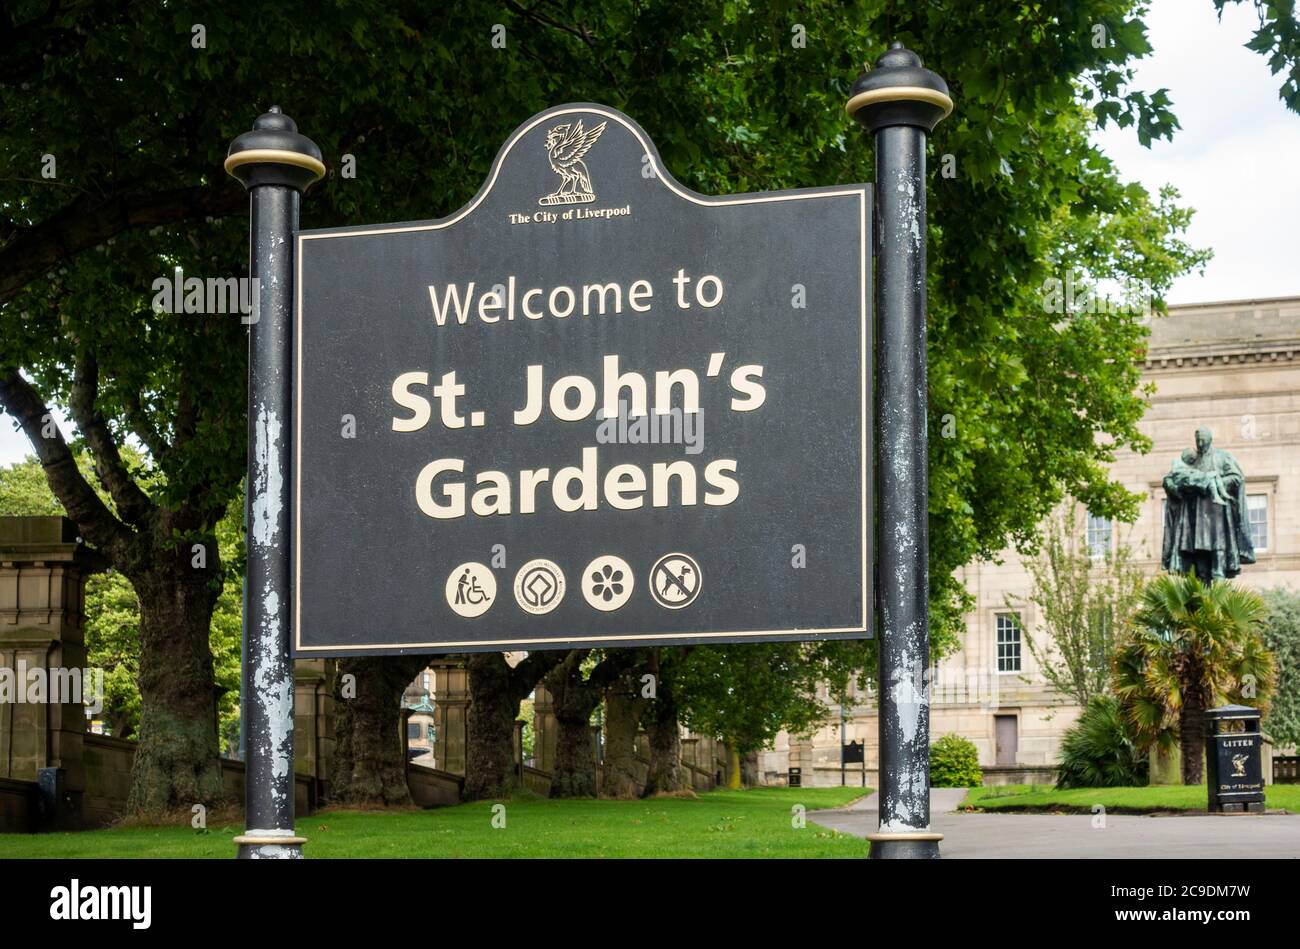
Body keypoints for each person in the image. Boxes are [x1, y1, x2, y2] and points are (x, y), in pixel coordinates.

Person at [1161, 427, 1255, 582]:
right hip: (1193, 516)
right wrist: (1176, 488)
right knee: (1199, 560)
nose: (1200, 443)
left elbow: (1236, 477)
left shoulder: (1222, 457)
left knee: (1218, 553)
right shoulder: (1190, 459)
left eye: (1203, 439)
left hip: (1216, 513)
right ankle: (1201, 598)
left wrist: (1215, 484)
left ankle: (1218, 599)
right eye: (1197, 440)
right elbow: (1170, 479)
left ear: (1210, 439)